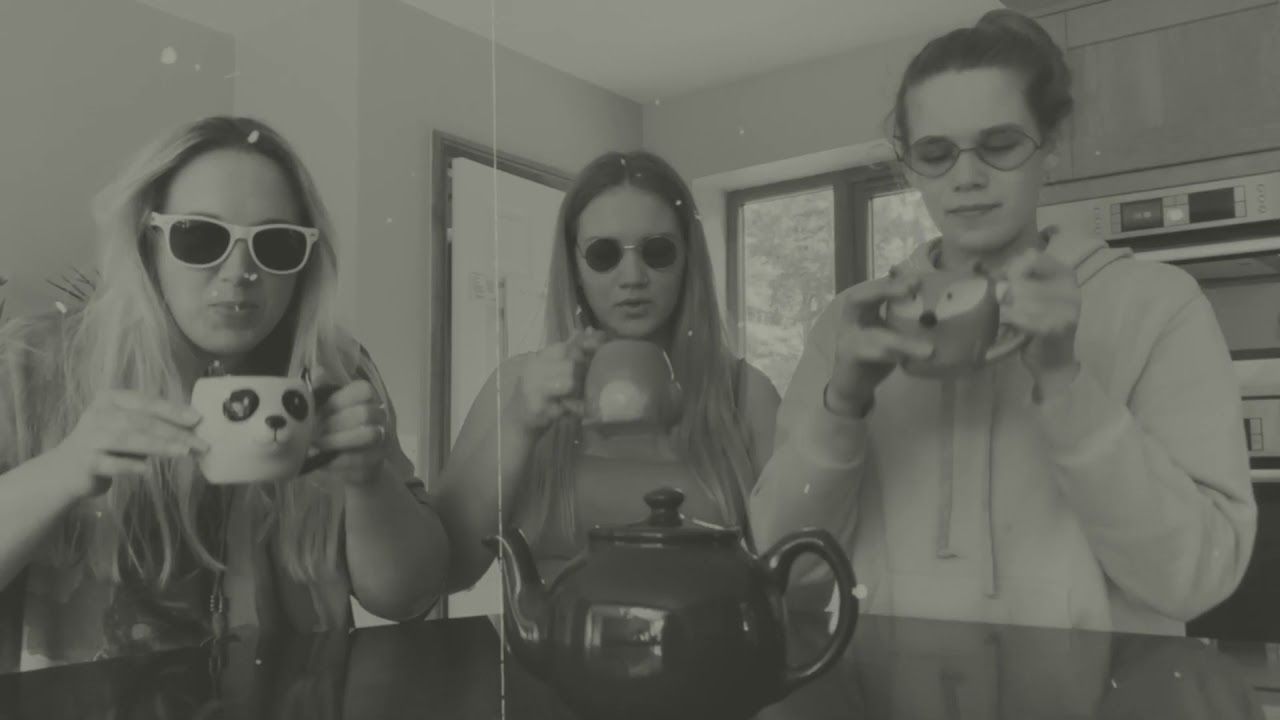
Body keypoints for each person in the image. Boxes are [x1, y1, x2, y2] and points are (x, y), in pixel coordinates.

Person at [750, 10, 1255, 634]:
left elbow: (1196, 579)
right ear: (908, 166)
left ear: (1052, 145)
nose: (967, 178)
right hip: (892, 685)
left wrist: (1066, 385)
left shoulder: (1158, 306)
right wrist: (842, 407)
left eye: (1001, 144)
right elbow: (785, 568)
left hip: (1102, 686)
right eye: (936, 153)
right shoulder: (852, 326)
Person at [0, 116, 450, 671]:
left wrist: (370, 482)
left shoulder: (336, 376)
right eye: (199, 236)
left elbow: (409, 597)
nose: (240, 272)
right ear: (148, 241)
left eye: (277, 244)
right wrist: (63, 469)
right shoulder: (30, 368)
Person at [437, 151, 780, 587]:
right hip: (548, 634)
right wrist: (519, 424)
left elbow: (801, 579)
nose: (632, 276)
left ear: (688, 259)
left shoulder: (746, 396)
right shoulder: (517, 387)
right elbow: (445, 570)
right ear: (575, 266)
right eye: (604, 254)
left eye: (657, 252)